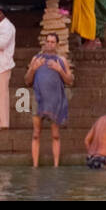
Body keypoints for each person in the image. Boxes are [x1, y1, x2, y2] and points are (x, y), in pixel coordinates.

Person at [25, 33, 73, 168]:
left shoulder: (61, 60)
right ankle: (35, 166)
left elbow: (69, 81)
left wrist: (60, 70)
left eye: (53, 42)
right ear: (44, 43)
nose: (50, 44)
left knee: (56, 135)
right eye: (48, 41)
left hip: (55, 101)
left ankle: (56, 166)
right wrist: (33, 69)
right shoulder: (36, 59)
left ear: (57, 44)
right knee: (36, 134)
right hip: (38, 99)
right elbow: (27, 81)